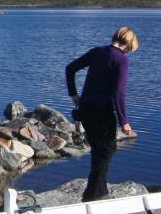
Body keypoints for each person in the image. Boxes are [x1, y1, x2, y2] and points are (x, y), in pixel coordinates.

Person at [66, 26, 139, 202]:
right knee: (106, 151)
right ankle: (92, 196)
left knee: (100, 150)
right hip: (102, 113)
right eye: (131, 48)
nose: (129, 52)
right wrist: (124, 121)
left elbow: (70, 68)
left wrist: (73, 94)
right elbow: (118, 93)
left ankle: (100, 190)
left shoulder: (97, 52)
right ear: (128, 43)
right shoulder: (121, 60)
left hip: (85, 110)